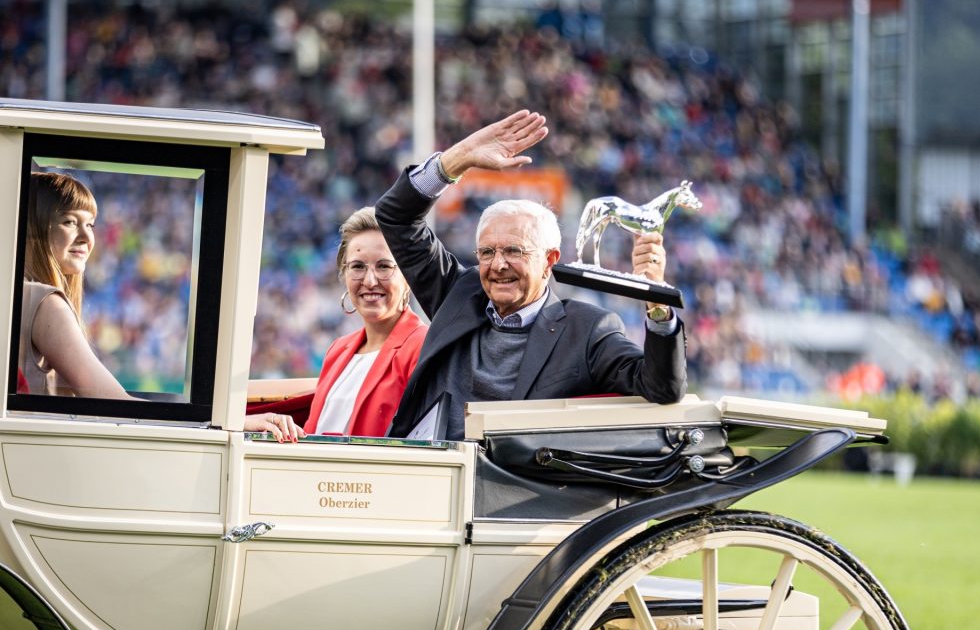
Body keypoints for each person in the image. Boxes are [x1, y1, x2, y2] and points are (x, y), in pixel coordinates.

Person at [375, 110, 687, 440]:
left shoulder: (586, 330)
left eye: (514, 251)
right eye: (487, 252)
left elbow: (662, 388)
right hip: (431, 475)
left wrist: (657, 302)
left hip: (513, 488)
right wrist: (455, 161)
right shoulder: (458, 294)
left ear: (549, 260)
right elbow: (395, 216)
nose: (497, 265)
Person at [19, 171, 302, 442]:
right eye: (70, 221)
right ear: (34, 228)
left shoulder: (27, 295)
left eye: (90, 224)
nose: (86, 236)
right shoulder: (47, 304)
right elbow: (115, 405)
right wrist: (229, 423)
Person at [303, 207, 427, 436]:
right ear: (344, 274)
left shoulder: (422, 346)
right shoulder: (337, 350)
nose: (370, 281)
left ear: (408, 276)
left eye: (384, 266)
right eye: (358, 266)